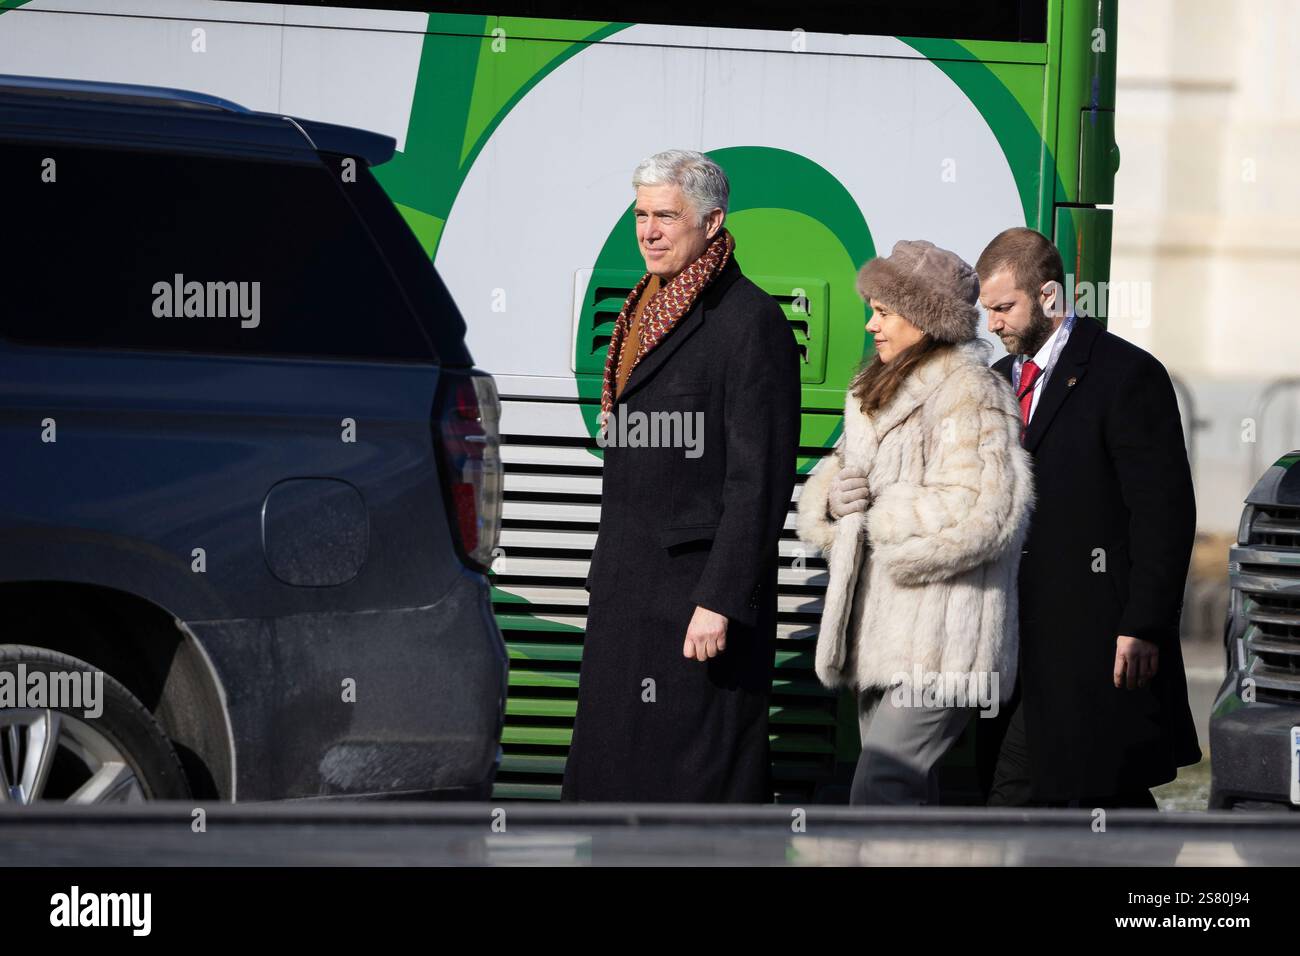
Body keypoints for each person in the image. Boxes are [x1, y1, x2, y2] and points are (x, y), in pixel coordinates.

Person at [561, 149, 801, 802]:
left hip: (694, 602)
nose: (649, 230)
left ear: (713, 222)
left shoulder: (751, 324)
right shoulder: (642, 308)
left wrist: (721, 599)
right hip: (627, 591)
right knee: (616, 786)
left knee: (691, 789)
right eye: (642, 215)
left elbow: (759, 482)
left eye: (666, 216)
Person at [796, 239, 1033, 805]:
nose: (870, 324)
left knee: (881, 790)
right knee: (898, 803)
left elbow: (985, 510)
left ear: (924, 318)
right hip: (883, 630)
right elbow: (845, 476)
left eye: (883, 311)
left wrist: (880, 510)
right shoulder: (874, 386)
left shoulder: (969, 390)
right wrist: (832, 500)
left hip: (944, 639)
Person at [976, 226, 1201, 809]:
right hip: (1014, 638)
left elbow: (1163, 512)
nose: (993, 324)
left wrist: (1145, 624)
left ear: (1049, 297)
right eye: (987, 310)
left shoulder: (1125, 374)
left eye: (1004, 307)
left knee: (1041, 791)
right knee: (1088, 793)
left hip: (1094, 636)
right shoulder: (1000, 382)